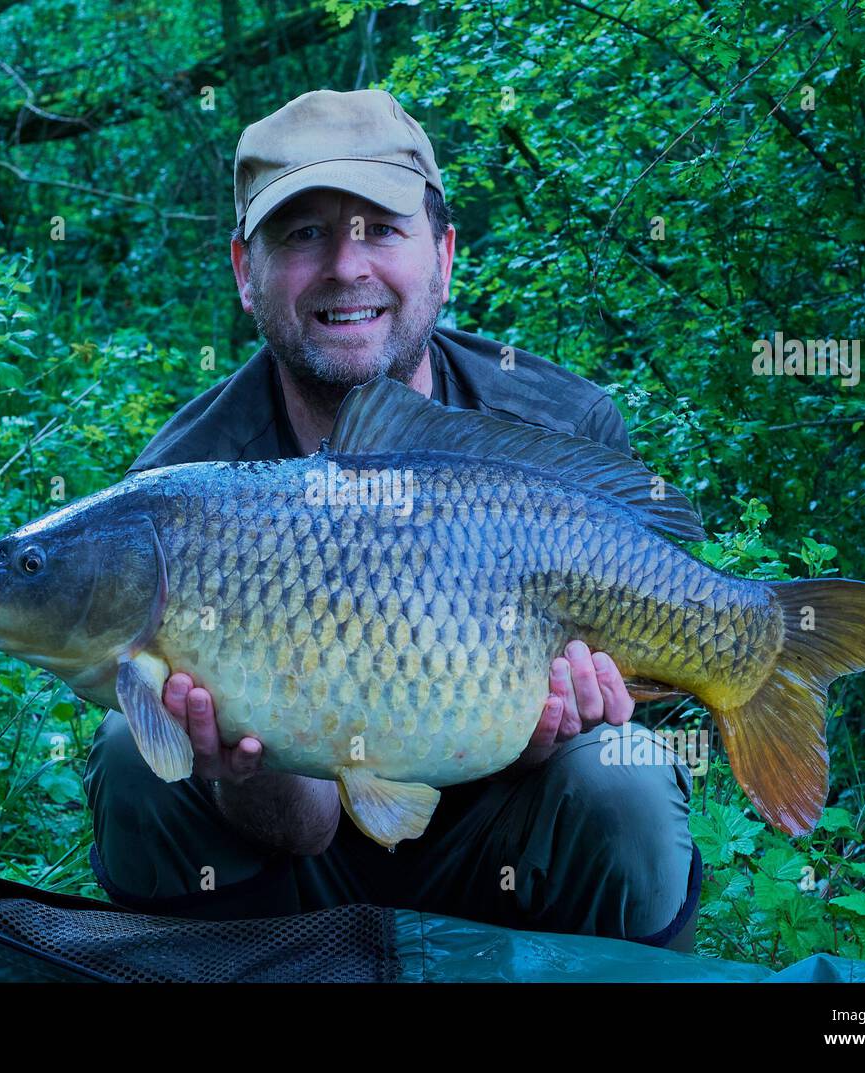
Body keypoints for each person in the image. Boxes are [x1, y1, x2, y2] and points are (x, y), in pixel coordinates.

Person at [85, 89, 699, 949]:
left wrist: (548, 731)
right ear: (242, 270)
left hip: (501, 857)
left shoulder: (558, 428)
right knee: (130, 755)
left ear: (444, 253)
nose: (347, 265)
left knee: (621, 777)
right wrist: (239, 772)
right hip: (298, 876)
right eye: (304, 234)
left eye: (382, 226)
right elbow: (303, 823)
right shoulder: (186, 484)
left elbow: (642, 688)